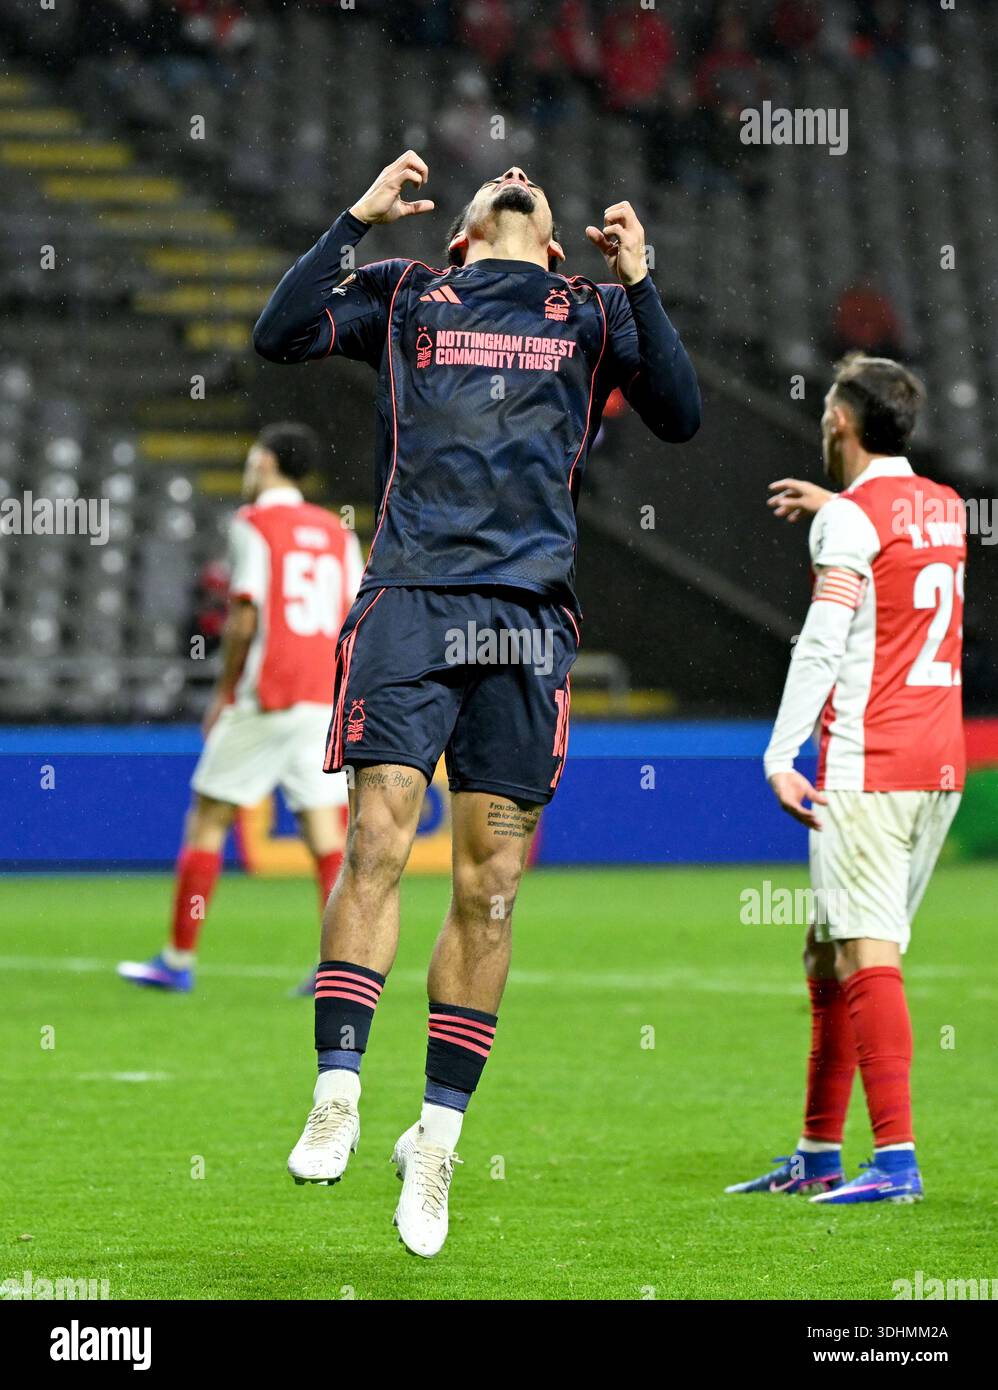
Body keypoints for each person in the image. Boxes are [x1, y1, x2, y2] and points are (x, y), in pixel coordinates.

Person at [253, 153, 700, 1256]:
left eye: (530, 182)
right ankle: (338, 1092)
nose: (513, 169)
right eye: (492, 182)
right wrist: (354, 219)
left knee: (490, 889)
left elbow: (682, 414)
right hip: (410, 599)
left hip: (524, 622)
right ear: (458, 235)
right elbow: (279, 332)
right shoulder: (408, 292)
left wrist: (641, 280)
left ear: (550, 241)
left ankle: (437, 1144)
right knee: (376, 836)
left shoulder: (591, 311)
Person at [729, 355, 965, 1204]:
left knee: (866, 949)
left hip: (870, 764)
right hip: (939, 764)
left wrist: (779, 755)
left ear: (839, 421)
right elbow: (893, 549)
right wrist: (836, 509)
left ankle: (895, 1160)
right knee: (829, 948)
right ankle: (818, 1153)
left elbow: (824, 642)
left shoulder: (853, 521)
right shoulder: (944, 506)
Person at [118, 423, 362, 993]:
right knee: (325, 835)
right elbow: (354, 616)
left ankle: (177, 960)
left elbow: (245, 616)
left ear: (265, 461)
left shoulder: (252, 524)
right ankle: (339, 970)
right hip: (323, 696)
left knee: (209, 818)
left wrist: (225, 692)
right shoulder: (338, 532)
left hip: (267, 693)